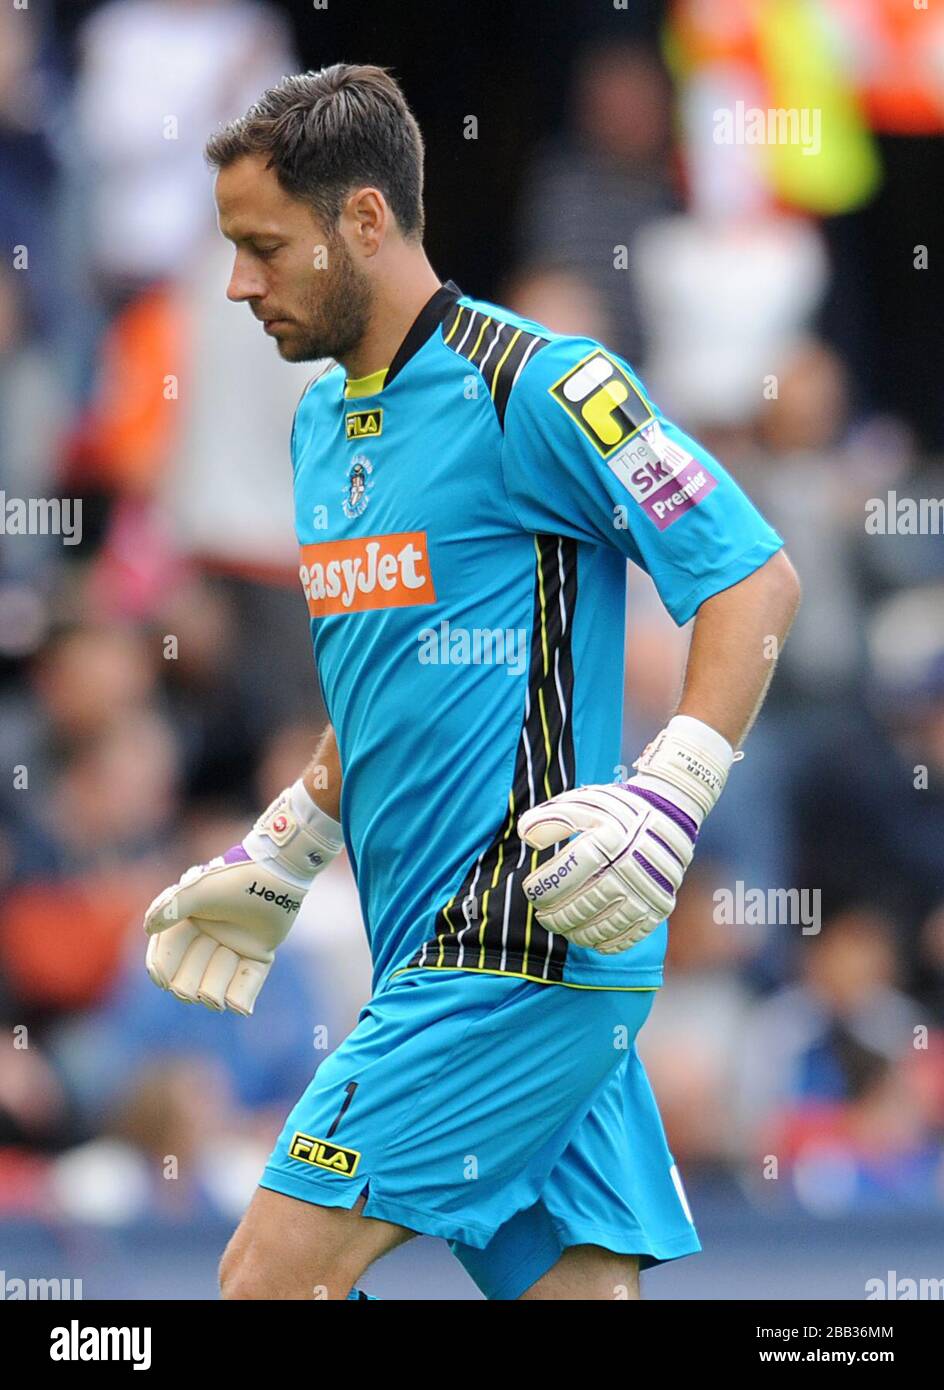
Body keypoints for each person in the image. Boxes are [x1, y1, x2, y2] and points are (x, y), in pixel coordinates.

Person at [142, 64, 800, 1301]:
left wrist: (672, 791)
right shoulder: (316, 425)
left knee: (267, 1279)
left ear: (367, 221)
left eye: (263, 248)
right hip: (439, 952)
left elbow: (750, 580)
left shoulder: (544, 386)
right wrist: (287, 843)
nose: (238, 284)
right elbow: (381, 672)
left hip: (518, 937)